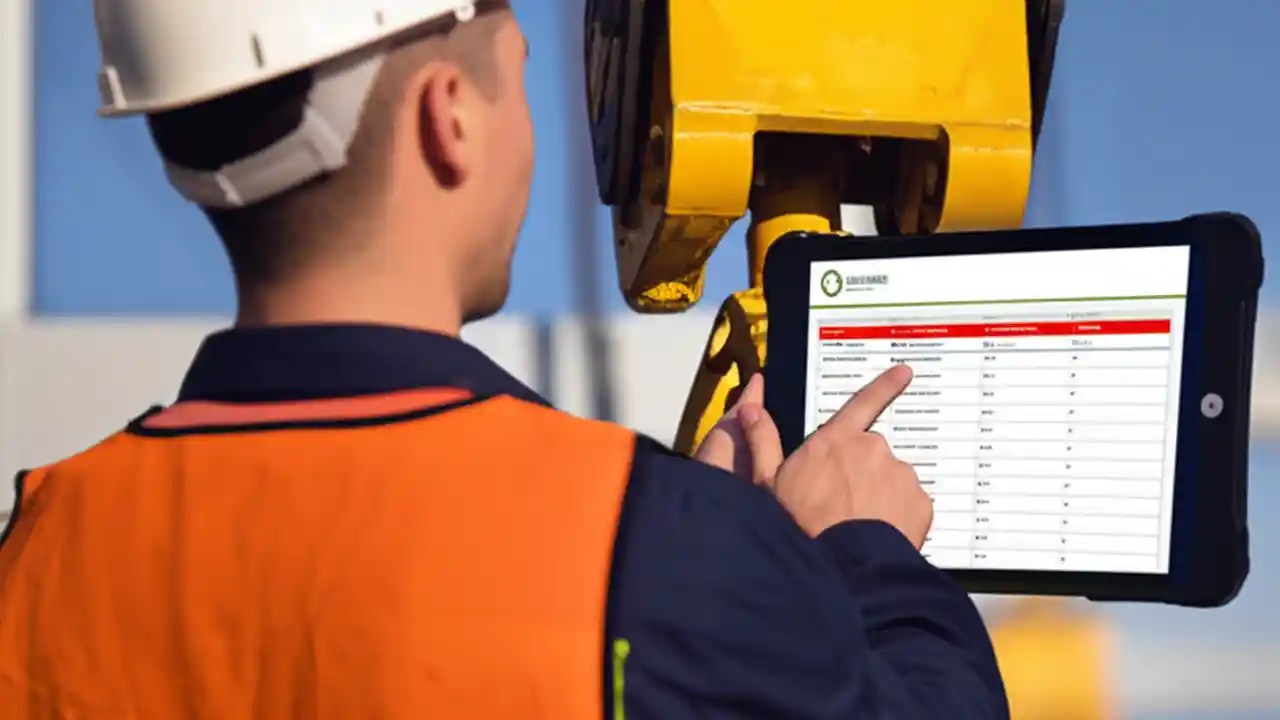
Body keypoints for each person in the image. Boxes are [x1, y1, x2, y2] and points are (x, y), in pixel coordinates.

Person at [0, 1, 1007, 717]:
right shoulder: (643, 548)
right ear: (450, 118)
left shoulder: (39, 547)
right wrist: (860, 554)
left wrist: (702, 535)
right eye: (520, 70)